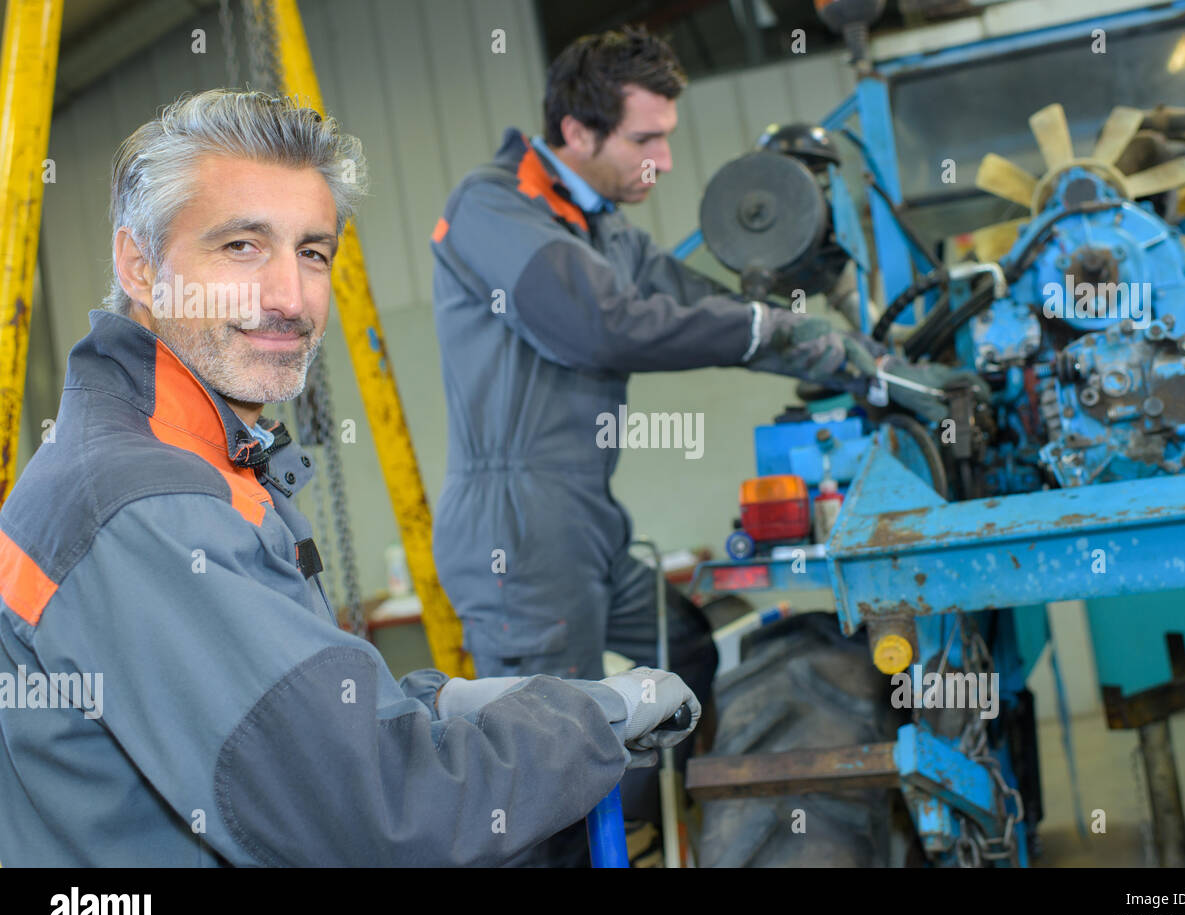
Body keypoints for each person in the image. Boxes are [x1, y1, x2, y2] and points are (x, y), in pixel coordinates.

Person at [0, 89, 699, 868]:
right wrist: (587, 718)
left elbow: (281, 722)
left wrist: (434, 702)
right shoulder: (147, 501)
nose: (290, 298)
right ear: (139, 264)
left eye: (312, 251)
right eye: (240, 246)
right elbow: (376, 817)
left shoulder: (195, 461)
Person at [430, 26, 970, 861]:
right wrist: (764, 327)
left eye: (667, 139)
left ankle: (644, 824)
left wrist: (834, 348)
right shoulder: (494, 207)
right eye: (645, 140)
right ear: (578, 132)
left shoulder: (605, 229)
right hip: (517, 520)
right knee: (543, 749)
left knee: (683, 649)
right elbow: (596, 325)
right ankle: (583, 836)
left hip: (587, 514)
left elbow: (698, 308)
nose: (664, 162)